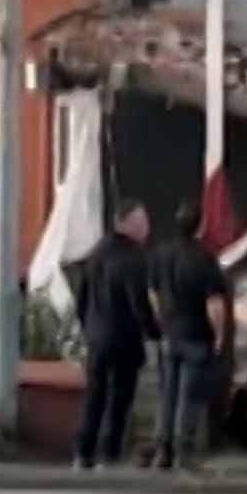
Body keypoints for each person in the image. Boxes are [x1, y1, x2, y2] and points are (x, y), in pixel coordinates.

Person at [73, 198, 159, 470]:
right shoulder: (134, 259)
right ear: (126, 223)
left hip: (96, 336)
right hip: (124, 337)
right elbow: (138, 302)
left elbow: (82, 297)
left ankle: (84, 451)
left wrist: (86, 325)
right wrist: (154, 333)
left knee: (95, 395)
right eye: (141, 221)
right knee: (120, 398)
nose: (147, 227)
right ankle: (109, 453)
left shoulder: (96, 254)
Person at [149, 200, 229, 471]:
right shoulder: (204, 259)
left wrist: (161, 321)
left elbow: (153, 293)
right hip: (196, 334)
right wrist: (219, 335)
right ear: (200, 225)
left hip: (170, 333)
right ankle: (184, 450)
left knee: (167, 393)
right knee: (189, 395)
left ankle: (163, 449)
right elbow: (214, 305)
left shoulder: (161, 254)